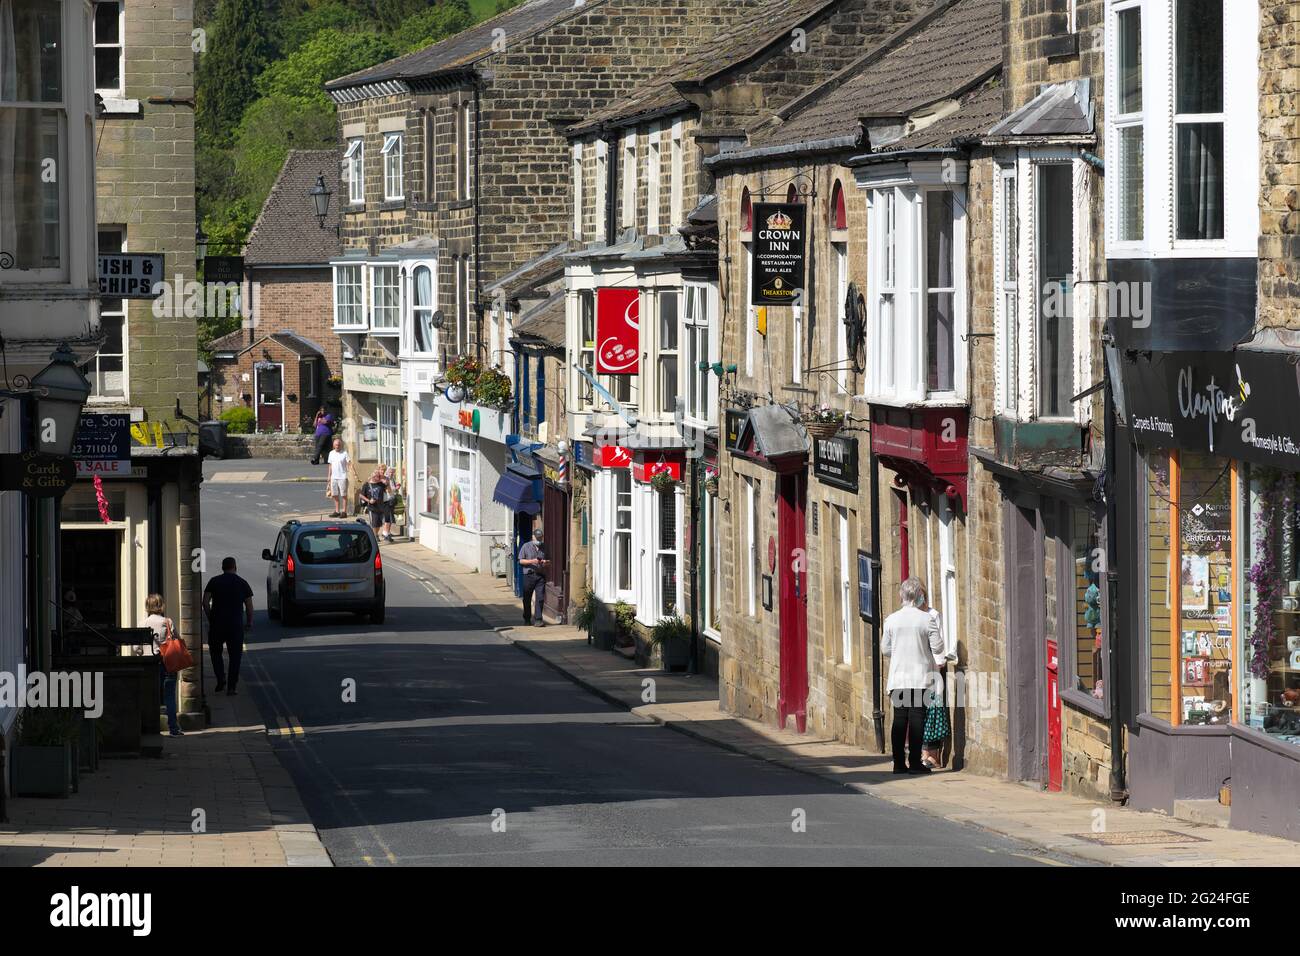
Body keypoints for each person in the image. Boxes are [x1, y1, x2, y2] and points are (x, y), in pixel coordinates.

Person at [881, 577, 944, 775]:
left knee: (900, 720)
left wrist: (901, 651)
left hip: (898, 677)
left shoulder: (891, 619)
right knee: (917, 718)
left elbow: (885, 649)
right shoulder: (927, 619)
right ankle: (915, 763)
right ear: (919, 597)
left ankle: (898, 763)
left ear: (902, 596)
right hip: (919, 677)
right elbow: (938, 647)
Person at [202, 557, 254, 696]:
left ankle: (220, 678)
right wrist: (249, 622)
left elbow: (205, 602)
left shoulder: (214, 581)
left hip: (217, 624)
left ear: (222, 567)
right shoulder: (242, 583)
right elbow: (249, 606)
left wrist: (210, 617)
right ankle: (232, 687)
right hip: (235, 626)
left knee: (215, 653)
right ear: (235, 567)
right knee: (235, 656)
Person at [143, 593, 182, 736]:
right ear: (161, 606)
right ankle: (173, 729)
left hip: (150, 664)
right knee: (170, 696)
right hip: (168, 662)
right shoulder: (168, 622)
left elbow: (137, 648)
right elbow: (177, 639)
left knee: (151, 696)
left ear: (148, 606)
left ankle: (151, 730)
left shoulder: (144, 623)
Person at [517, 527, 548, 627]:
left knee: (540, 598)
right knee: (527, 598)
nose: (539, 540)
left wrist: (545, 562)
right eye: (537, 538)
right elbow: (521, 561)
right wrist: (532, 561)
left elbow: (550, 561)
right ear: (533, 537)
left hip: (540, 576)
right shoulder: (526, 546)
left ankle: (538, 619)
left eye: (540, 538)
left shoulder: (545, 547)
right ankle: (527, 618)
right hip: (529, 575)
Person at [326, 437, 355, 517]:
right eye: (335, 445)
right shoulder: (331, 453)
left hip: (342, 476)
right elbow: (330, 465)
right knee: (334, 494)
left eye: (338, 445)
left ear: (341, 445)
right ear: (333, 445)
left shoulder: (344, 453)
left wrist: (353, 472)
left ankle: (344, 512)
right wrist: (329, 476)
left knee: (343, 495)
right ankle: (337, 511)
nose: (337, 446)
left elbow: (349, 463)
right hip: (333, 477)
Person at [360, 468, 388, 534]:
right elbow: (361, 495)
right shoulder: (367, 485)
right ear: (373, 476)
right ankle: (375, 536)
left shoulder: (381, 484)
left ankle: (376, 534)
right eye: (377, 476)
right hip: (372, 507)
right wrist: (369, 501)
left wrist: (386, 482)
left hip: (381, 507)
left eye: (379, 476)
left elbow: (388, 490)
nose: (378, 477)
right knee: (374, 523)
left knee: (378, 524)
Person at [380, 466, 399, 542]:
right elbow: (389, 490)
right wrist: (396, 488)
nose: (391, 473)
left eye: (392, 472)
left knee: (389, 518)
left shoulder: (392, 479)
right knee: (388, 518)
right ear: (387, 472)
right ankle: (385, 533)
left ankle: (387, 532)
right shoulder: (387, 479)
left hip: (391, 499)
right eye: (390, 472)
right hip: (387, 500)